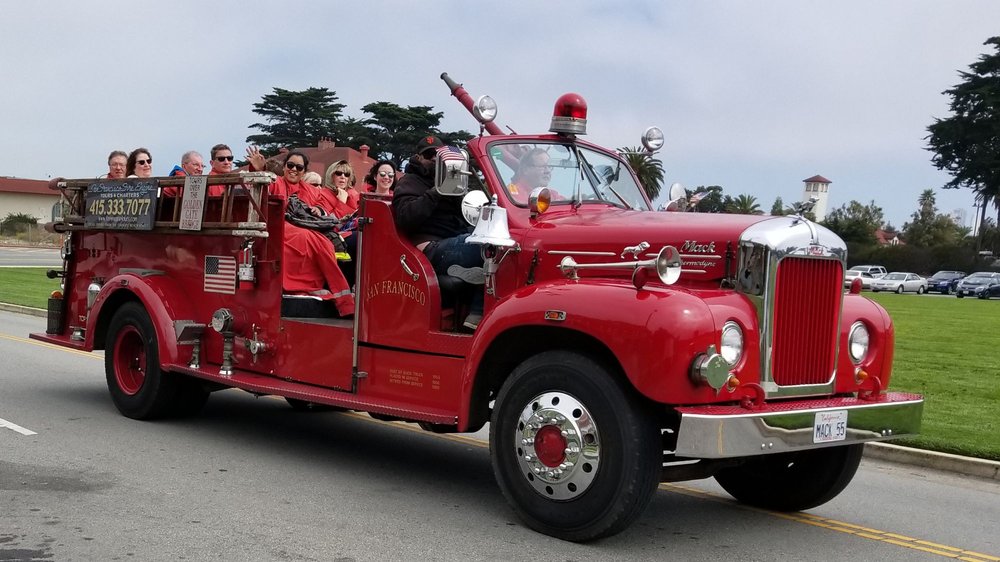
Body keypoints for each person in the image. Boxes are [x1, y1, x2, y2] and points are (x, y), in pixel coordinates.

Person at [393, 135, 485, 330]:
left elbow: (466, 216)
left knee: (498, 243)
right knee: (490, 247)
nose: (434, 158)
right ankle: (477, 311)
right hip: (430, 249)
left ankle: (476, 307)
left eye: (438, 154)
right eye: (428, 155)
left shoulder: (453, 182)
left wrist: (459, 193)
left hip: (453, 240)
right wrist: (435, 193)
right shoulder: (409, 182)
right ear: (418, 158)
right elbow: (405, 219)